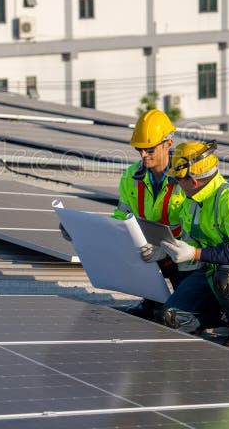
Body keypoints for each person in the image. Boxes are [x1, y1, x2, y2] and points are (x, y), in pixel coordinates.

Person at [142, 139, 229, 351]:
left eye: (179, 180)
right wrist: (165, 252)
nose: (176, 184)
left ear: (194, 181)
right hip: (215, 274)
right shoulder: (192, 202)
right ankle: (226, 312)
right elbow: (189, 245)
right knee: (169, 318)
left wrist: (195, 253)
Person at [59, 109, 190, 319]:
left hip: (183, 254)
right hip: (148, 253)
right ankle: (152, 299)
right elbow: (121, 220)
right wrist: (81, 232)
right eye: (139, 149)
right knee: (130, 248)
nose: (143, 155)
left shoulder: (186, 178)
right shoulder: (131, 177)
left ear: (168, 143)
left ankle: (191, 304)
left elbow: (198, 228)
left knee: (183, 312)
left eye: (149, 149)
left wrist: (168, 250)